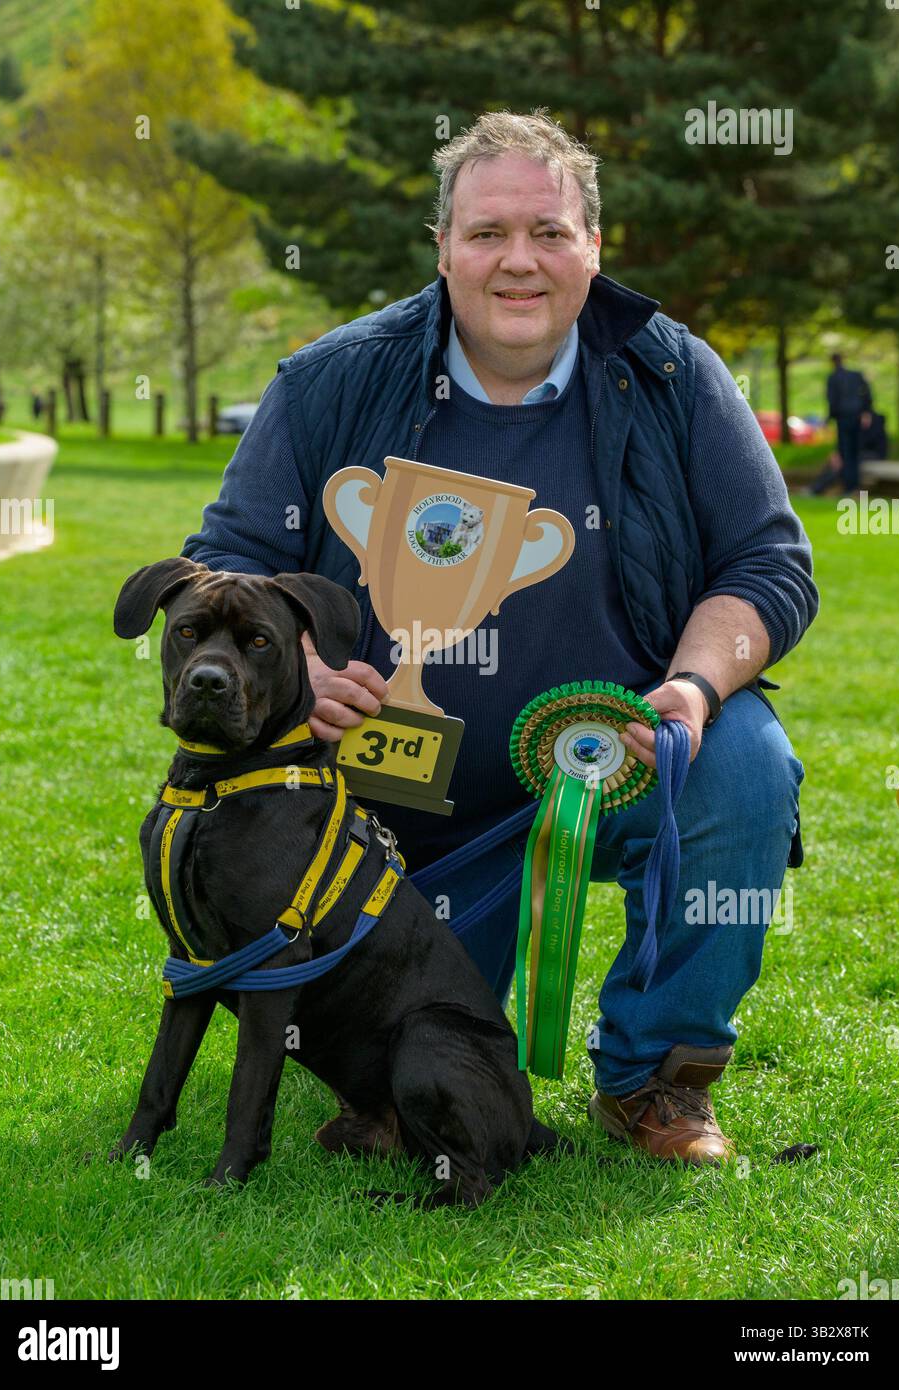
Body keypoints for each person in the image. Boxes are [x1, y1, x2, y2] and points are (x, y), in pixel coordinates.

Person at [182, 110, 818, 1164]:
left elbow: (769, 565)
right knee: (407, 1089)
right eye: (486, 234)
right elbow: (228, 563)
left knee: (746, 761)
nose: (518, 260)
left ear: (593, 246)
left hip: (609, 772)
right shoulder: (332, 380)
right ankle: (381, 1057)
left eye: (550, 231)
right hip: (385, 814)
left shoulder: (675, 374)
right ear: (442, 247)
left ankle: (656, 1079)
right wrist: (300, 673)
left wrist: (699, 686)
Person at [826, 352, 873, 492]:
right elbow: (867, 393)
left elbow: (832, 400)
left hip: (843, 418)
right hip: (857, 416)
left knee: (845, 451)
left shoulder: (833, 378)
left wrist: (830, 417)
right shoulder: (855, 375)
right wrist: (866, 410)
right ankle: (854, 483)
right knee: (855, 451)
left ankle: (848, 485)